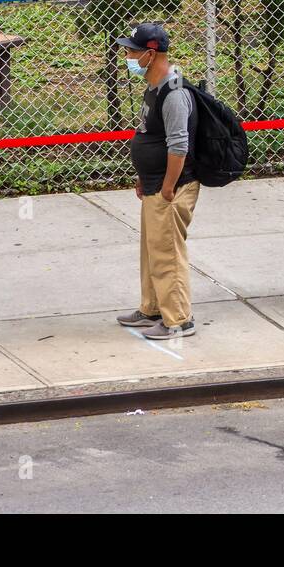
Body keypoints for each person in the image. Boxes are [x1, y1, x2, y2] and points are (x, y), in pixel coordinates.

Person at [114, 23, 201, 339]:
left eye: (131, 51)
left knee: (168, 254)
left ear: (150, 55)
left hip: (172, 188)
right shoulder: (154, 87)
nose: (127, 56)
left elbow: (179, 146)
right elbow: (150, 136)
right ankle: (152, 308)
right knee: (152, 250)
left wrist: (167, 186)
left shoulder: (174, 94)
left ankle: (178, 320)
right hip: (154, 184)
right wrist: (144, 176)